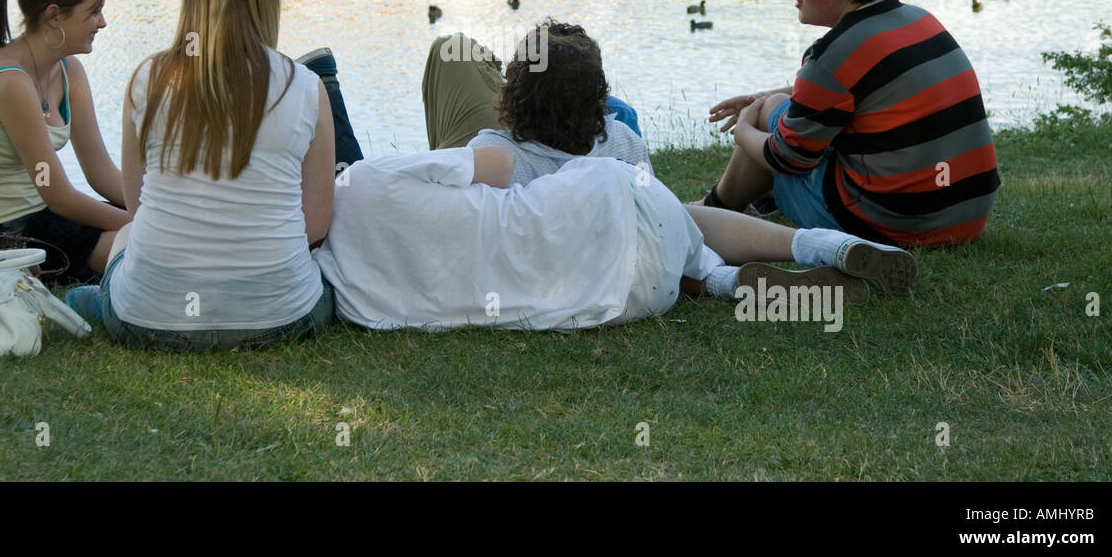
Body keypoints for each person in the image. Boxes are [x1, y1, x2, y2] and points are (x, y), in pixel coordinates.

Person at [66, 0, 338, 351]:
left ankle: (97, 300)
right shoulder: (305, 87)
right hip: (280, 317)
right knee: (325, 278)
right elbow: (317, 223)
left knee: (124, 239)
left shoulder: (147, 80)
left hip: (149, 319)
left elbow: (138, 206)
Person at [313, 144, 914, 332]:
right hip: (613, 209)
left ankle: (726, 281)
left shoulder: (352, 296)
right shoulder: (368, 177)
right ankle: (830, 247)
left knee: (691, 263)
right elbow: (496, 166)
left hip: (627, 299)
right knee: (650, 210)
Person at [703, 0, 1000, 254]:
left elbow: (787, 158)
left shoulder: (831, 55)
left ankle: (714, 212)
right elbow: (863, 90)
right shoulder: (919, 20)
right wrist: (764, 96)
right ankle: (733, 204)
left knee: (771, 115)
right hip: (966, 217)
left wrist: (745, 126)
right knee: (772, 105)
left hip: (896, 227)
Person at [0, 0, 128, 280]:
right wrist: (146, 225)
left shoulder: (69, 70)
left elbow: (101, 173)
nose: (102, 23)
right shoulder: (9, 82)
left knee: (147, 233)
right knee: (139, 243)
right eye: (94, 12)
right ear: (55, 16)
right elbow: (58, 196)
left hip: (42, 216)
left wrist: (159, 209)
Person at [424, 21, 647, 185]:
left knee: (450, 48)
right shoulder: (625, 140)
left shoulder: (490, 154)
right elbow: (651, 197)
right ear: (599, 97)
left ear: (511, 95)